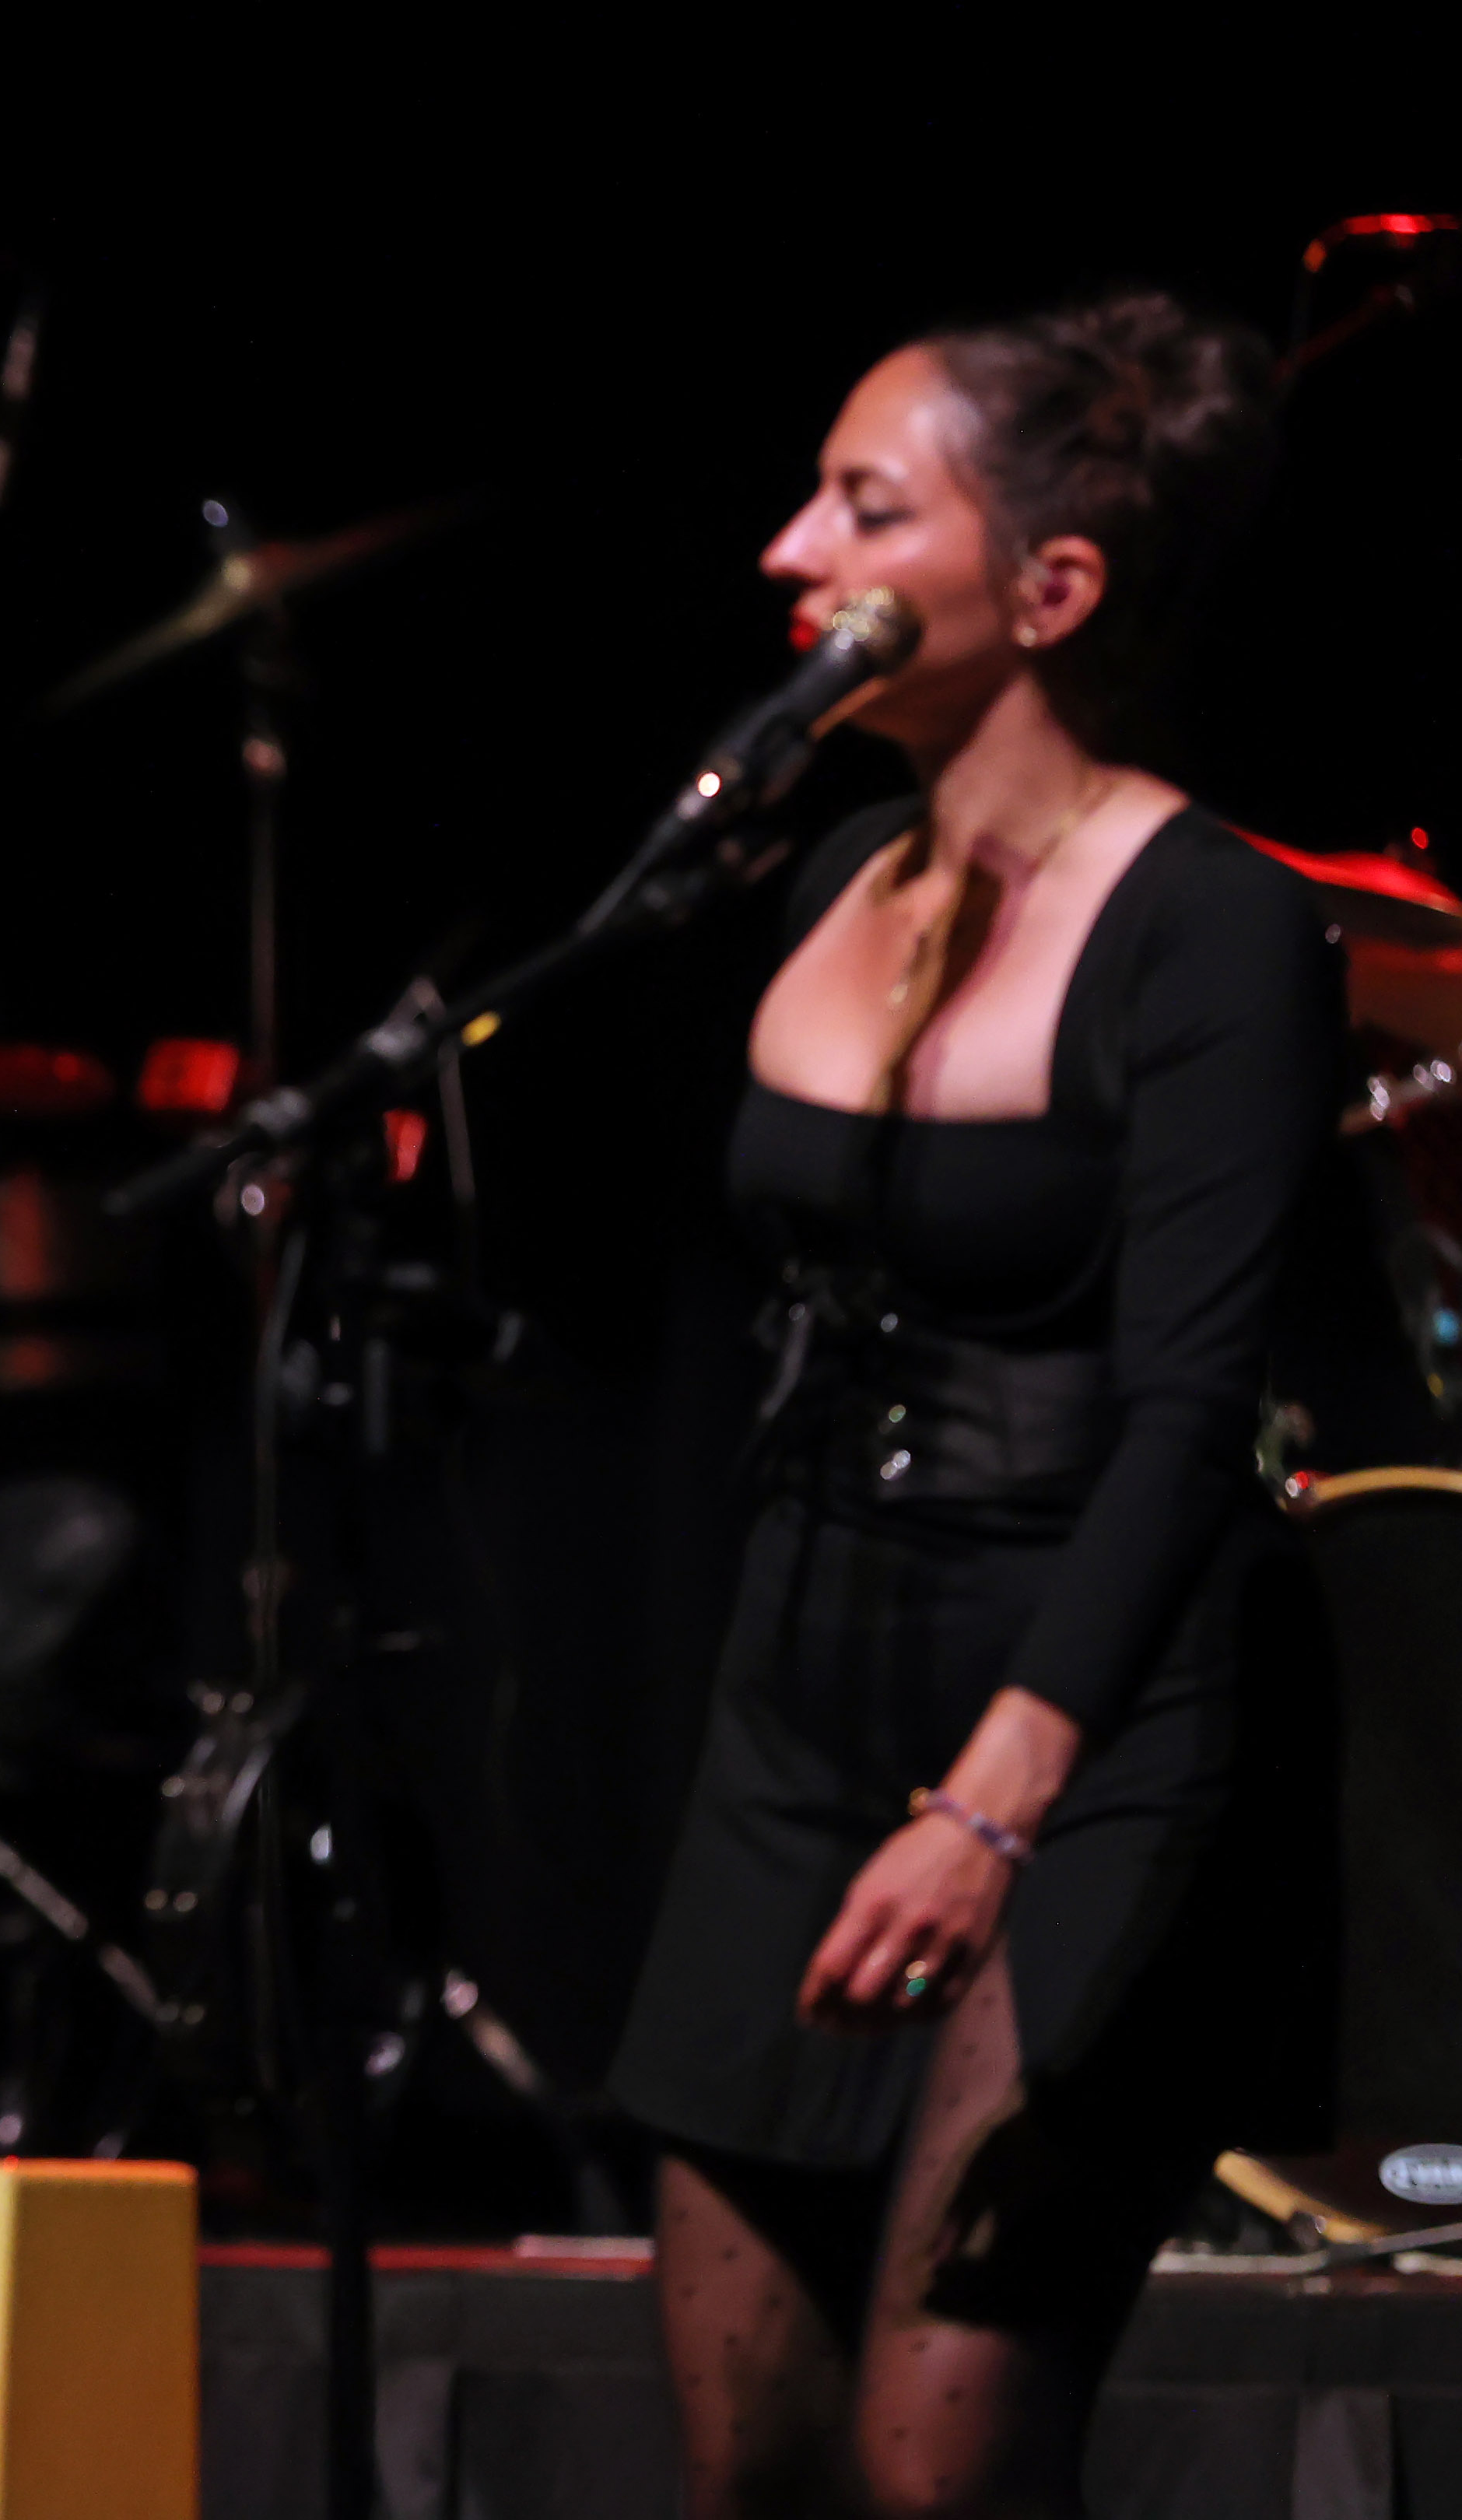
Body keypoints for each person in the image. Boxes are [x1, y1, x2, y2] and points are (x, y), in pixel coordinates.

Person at [608, 293, 1343, 2518]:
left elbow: (1194, 1405)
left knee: (946, 2464)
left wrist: (997, 1803)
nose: (786, 548)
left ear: (1053, 587)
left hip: (1082, 1728)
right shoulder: (838, 872)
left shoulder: (1209, 926)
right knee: (754, 2457)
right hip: (804, 1693)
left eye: (864, 502)